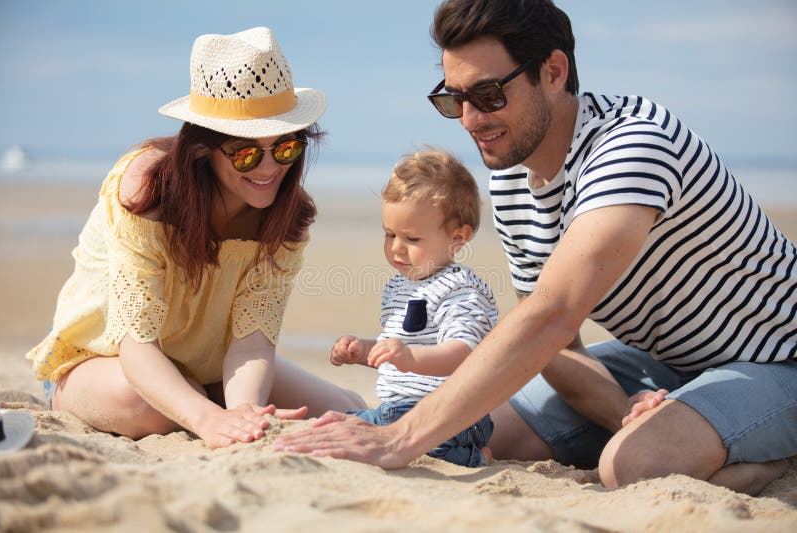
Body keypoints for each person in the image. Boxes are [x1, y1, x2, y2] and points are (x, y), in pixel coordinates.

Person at [273, 0, 797, 495]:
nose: (471, 120)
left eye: (489, 95)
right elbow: (558, 345)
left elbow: (552, 314)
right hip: (666, 361)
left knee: (633, 465)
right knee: (483, 434)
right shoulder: (512, 178)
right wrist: (623, 413)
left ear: (553, 72)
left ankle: (776, 463)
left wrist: (399, 438)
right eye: (454, 99)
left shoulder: (633, 146)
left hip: (779, 358)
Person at [26, 27, 365, 449]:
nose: (267, 169)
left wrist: (241, 411)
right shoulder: (146, 193)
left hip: (212, 367)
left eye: (285, 148)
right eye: (245, 152)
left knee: (346, 408)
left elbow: (253, 339)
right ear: (204, 147)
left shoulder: (288, 216)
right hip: (105, 361)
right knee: (150, 407)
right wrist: (207, 419)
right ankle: (167, 398)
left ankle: (205, 397)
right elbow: (136, 345)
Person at [330, 150, 498, 467]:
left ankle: (477, 455)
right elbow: (394, 355)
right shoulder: (399, 287)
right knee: (337, 424)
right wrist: (362, 350)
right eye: (389, 234)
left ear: (457, 238)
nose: (395, 247)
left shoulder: (460, 289)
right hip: (395, 409)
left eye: (412, 238)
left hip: (449, 415)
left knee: (430, 449)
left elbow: (466, 353)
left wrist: (410, 358)